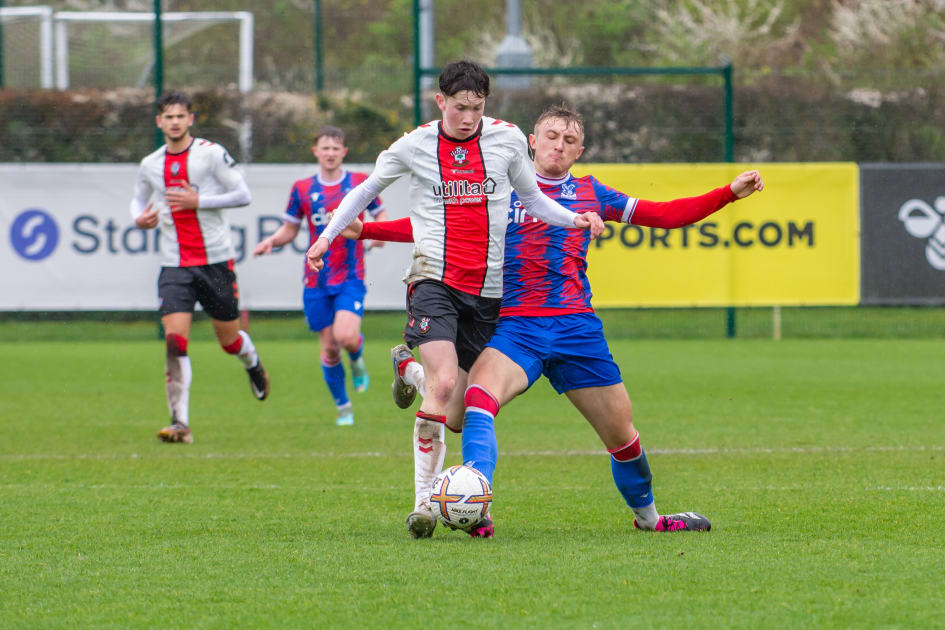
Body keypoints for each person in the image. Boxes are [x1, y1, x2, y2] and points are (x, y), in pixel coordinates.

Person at [346, 104, 765, 537]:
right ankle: (475, 504)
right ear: (531, 140)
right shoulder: (497, 189)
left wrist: (729, 192)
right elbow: (436, 226)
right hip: (514, 328)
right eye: (550, 136)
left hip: (576, 329)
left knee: (621, 432)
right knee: (471, 406)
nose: (558, 146)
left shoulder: (591, 194)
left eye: (568, 141)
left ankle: (650, 519)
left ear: (579, 151)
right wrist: (368, 230)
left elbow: (664, 215)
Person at [305, 61, 604, 539]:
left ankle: (409, 370)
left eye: (478, 108)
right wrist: (326, 237)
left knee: (459, 414)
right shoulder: (415, 145)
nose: (468, 117)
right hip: (433, 281)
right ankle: (424, 504)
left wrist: (575, 219)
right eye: (460, 107)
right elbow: (364, 191)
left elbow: (532, 200)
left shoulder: (505, 140)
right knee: (444, 388)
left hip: (488, 292)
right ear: (440, 101)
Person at [130, 90, 269, 444]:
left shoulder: (211, 154)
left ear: (190, 119)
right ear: (158, 121)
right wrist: (138, 218)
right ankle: (181, 423)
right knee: (175, 342)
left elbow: (243, 195)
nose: (174, 122)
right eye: (168, 116)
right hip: (174, 265)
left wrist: (198, 201)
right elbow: (137, 199)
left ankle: (252, 365)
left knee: (229, 341)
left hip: (215, 263)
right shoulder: (150, 164)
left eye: (181, 116)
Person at [253, 126, 387, 426]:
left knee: (345, 336)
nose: (329, 153)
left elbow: (380, 214)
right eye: (324, 148)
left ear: (344, 152)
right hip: (316, 279)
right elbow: (290, 228)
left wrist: (378, 234)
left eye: (335, 148)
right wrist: (271, 242)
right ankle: (343, 406)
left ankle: (357, 358)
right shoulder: (302, 188)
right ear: (316, 151)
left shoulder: (359, 183)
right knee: (328, 347)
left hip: (351, 276)